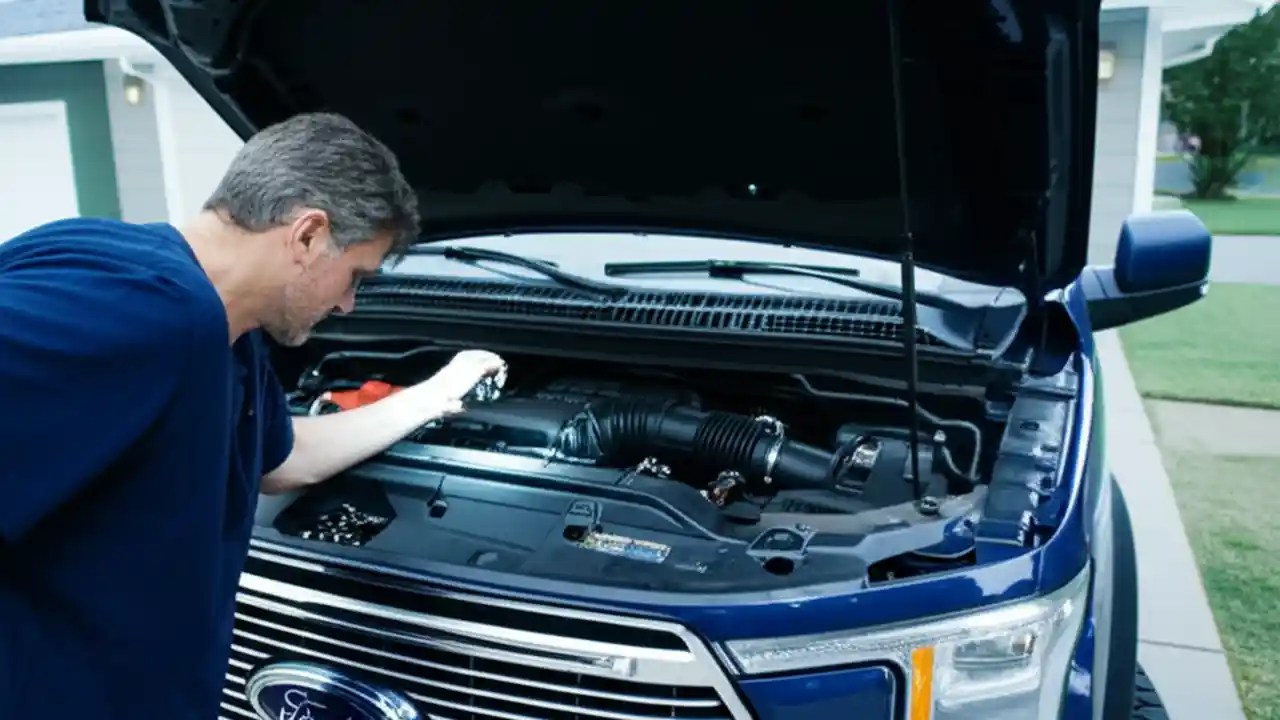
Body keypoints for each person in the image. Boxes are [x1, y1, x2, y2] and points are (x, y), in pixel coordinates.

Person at [0, 112, 504, 718]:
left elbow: (286, 459)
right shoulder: (148, 310)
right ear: (309, 236)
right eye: (355, 277)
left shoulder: (229, 331)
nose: (348, 304)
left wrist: (434, 393)